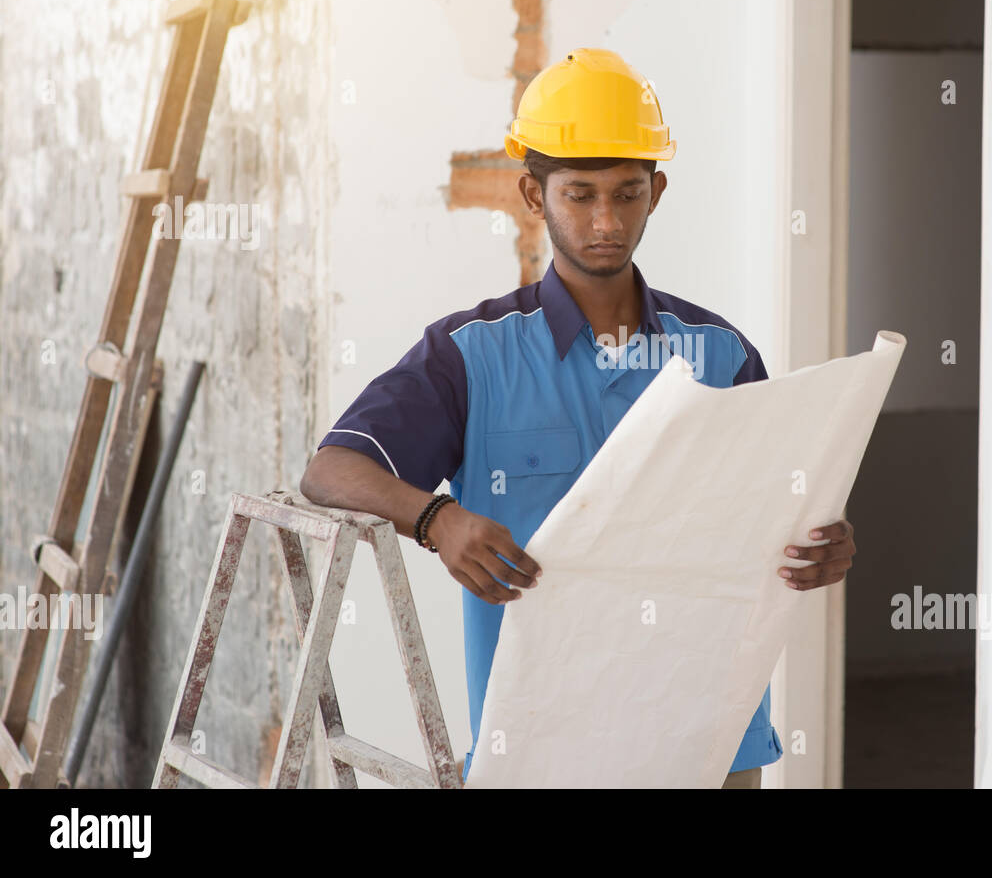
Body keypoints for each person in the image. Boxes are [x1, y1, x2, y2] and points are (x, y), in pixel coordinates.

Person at [299, 48, 857, 789]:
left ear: (656, 191)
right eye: (580, 194)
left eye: (627, 194)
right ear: (534, 193)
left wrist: (827, 539)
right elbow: (330, 471)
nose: (605, 220)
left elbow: (779, 498)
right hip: (544, 748)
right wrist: (437, 519)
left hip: (711, 740)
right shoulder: (472, 356)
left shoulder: (719, 354)